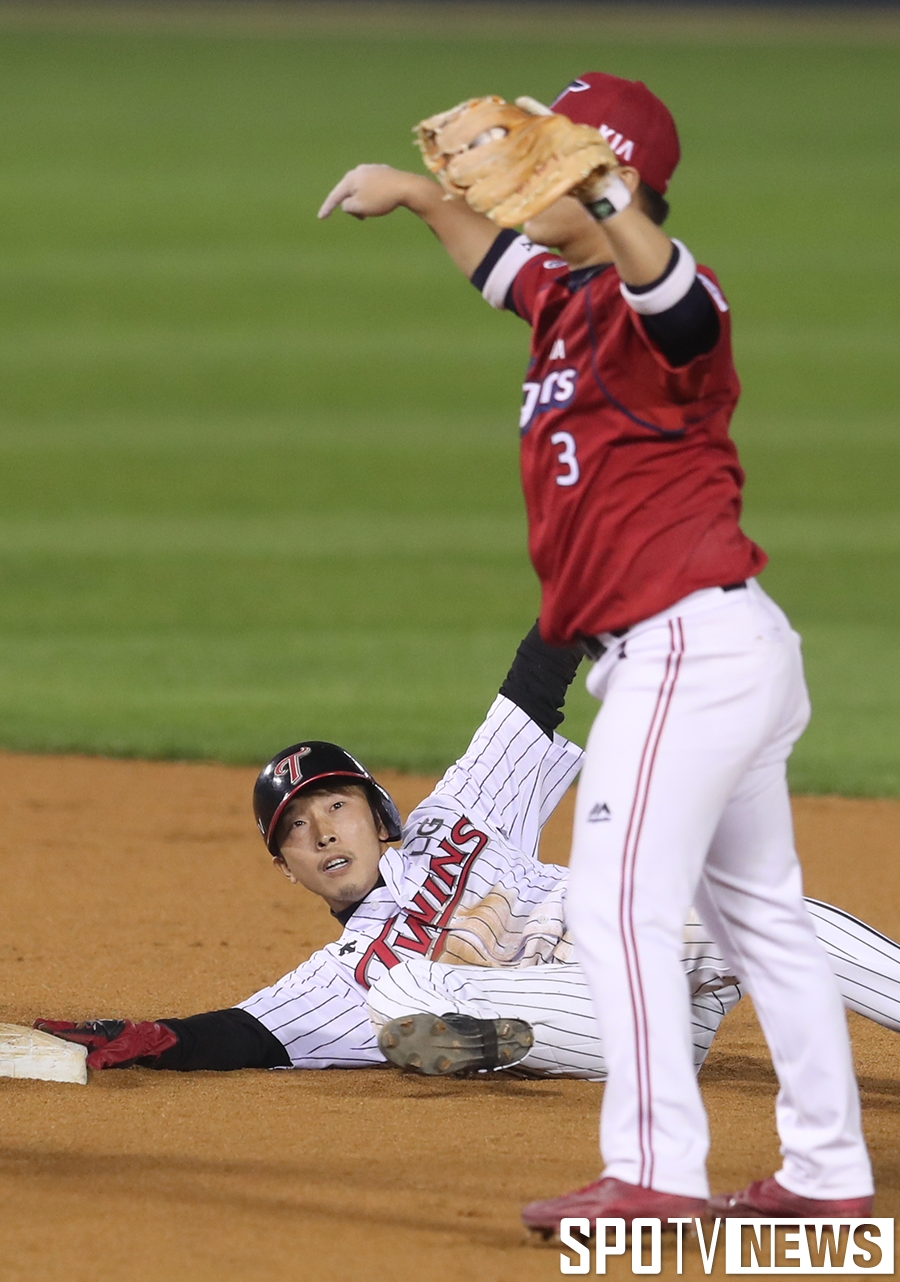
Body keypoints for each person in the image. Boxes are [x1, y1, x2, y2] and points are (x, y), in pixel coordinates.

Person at [318, 73, 874, 1226]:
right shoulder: (568, 302)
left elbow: (679, 303)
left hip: (685, 651)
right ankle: (826, 1171)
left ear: (603, 171)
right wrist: (421, 197)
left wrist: (608, 189)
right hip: (708, 650)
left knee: (625, 902)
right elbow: (497, 267)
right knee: (758, 919)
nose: (512, 170)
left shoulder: (673, 304)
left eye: (550, 153)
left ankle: (657, 1171)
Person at [36, 629, 900, 1095]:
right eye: (294, 829)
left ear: (377, 813)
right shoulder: (336, 975)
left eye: (334, 805)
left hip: (645, 952)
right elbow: (239, 1033)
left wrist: (578, 593)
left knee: (751, 908)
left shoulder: (460, 813)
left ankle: (474, 1044)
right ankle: (479, 1043)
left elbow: (533, 686)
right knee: (399, 993)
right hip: (608, 1031)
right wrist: (150, 1039)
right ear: (288, 868)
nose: (322, 832)